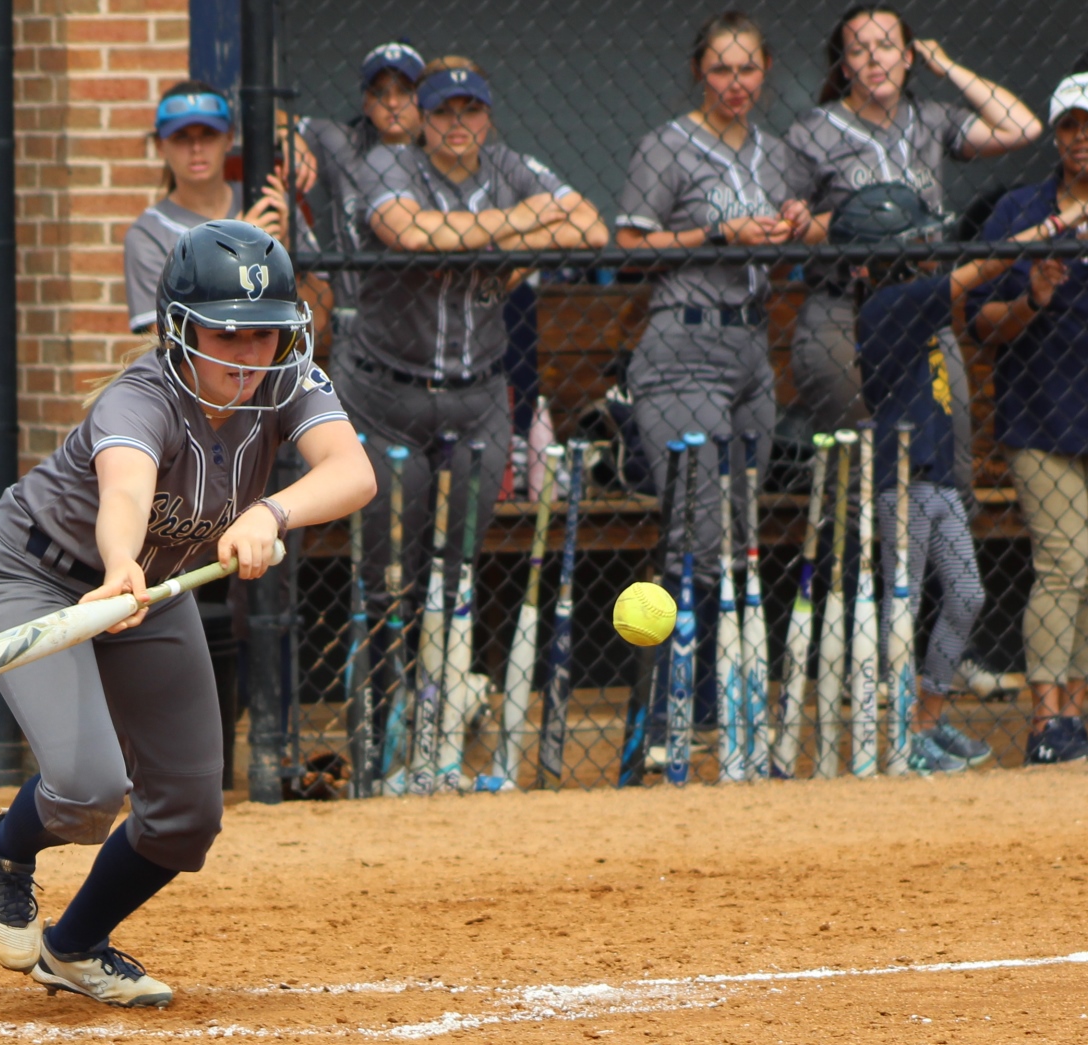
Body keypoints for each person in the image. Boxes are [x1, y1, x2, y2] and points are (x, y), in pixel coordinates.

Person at [0, 220, 374, 1005]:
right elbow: (124, 489)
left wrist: (272, 515)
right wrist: (118, 561)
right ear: (179, 331)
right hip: (36, 575)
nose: (249, 355)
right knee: (88, 790)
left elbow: (352, 472)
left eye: (265, 333)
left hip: (151, 590)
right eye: (227, 332)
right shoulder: (140, 396)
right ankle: (7, 848)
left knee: (186, 815)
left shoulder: (285, 384)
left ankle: (76, 947)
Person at [338, 57, 604, 787]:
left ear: (489, 115)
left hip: (478, 397)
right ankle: (375, 753)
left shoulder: (512, 164)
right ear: (422, 116)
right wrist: (520, 226)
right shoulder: (388, 162)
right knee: (387, 579)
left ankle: (441, 744)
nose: (459, 124)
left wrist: (490, 238)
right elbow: (410, 233)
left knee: (456, 576)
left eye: (472, 110)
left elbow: (589, 227)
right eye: (444, 110)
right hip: (386, 397)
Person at [841, 183, 1088, 773]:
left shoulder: (912, 300)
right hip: (901, 478)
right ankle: (899, 733)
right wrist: (1055, 224)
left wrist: (1032, 294)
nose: (933, 249)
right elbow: (985, 266)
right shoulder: (891, 304)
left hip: (936, 474)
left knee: (966, 594)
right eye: (919, 243)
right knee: (901, 605)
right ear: (895, 256)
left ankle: (926, 722)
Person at [615, 11, 815, 742]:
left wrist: (793, 226)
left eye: (750, 69)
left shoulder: (777, 153)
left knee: (735, 531)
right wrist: (717, 234)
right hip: (681, 345)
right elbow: (630, 248)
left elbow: (787, 259)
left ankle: (719, 697)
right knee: (693, 531)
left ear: (766, 72)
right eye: (723, 68)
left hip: (751, 354)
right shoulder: (668, 144)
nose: (737, 82)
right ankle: (672, 706)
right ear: (702, 69)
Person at [967, 72, 1088, 765]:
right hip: (1039, 412)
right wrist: (1034, 299)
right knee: (1063, 559)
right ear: (1055, 136)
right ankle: (1044, 719)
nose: (1081, 136)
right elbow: (982, 324)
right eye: (1068, 124)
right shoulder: (1019, 209)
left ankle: (1073, 719)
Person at [787, 4, 1041, 434]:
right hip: (843, 307)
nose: (874, 58)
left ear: (908, 57)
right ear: (845, 66)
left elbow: (1024, 128)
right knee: (861, 462)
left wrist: (947, 67)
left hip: (923, 299)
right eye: (859, 50)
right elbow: (790, 229)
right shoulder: (811, 131)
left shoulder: (929, 118)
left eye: (887, 46)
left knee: (948, 448)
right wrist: (865, 222)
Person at [123, 82, 328, 340]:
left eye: (208, 134)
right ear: (161, 146)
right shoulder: (148, 233)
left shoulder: (268, 202)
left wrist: (283, 253)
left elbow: (317, 322)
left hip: (281, 372)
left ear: (229, 138)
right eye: (181, 136)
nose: (196, 148)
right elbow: (165, 343)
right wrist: (237, 249)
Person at [295, 42, 426, 362]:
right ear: (367, 101)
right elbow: (263, 112)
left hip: (424, 320)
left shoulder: (440, 154)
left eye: (405, 91)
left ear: (424, 98)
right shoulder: (344, 144)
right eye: (381, 92)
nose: (393, 102)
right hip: (356, 320)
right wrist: (290, 137)